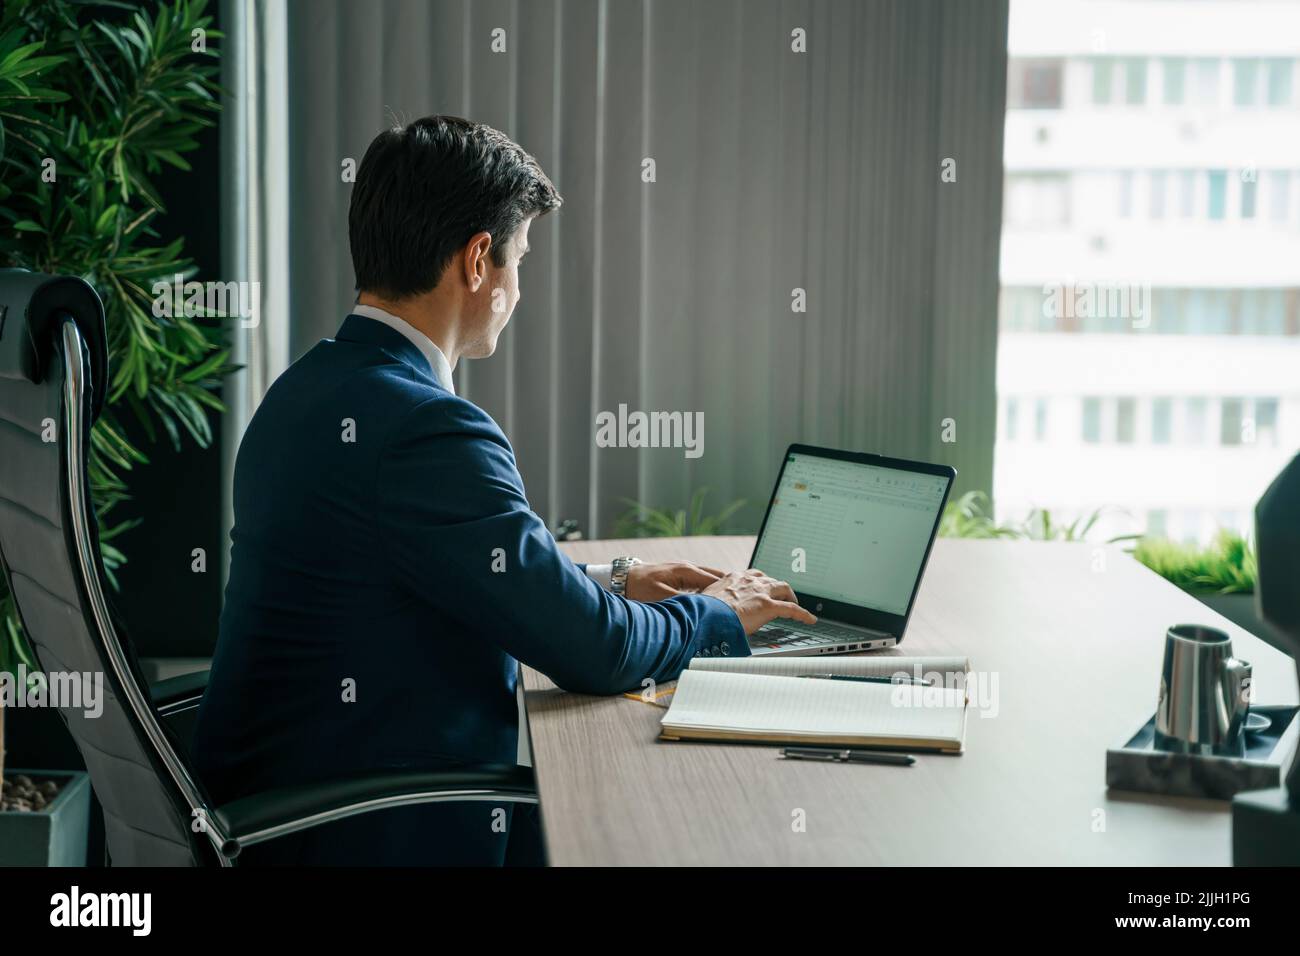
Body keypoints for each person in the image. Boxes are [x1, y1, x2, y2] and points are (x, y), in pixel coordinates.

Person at [193, 115, 814, 865]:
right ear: (478, 260)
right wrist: (716, 614)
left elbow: (416, 566)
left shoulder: (305, 390)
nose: (518, 289)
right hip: (369, 830)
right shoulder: (428, 430)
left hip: (279, 811)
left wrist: (609, 578)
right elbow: (597, 651)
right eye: (519, 259)